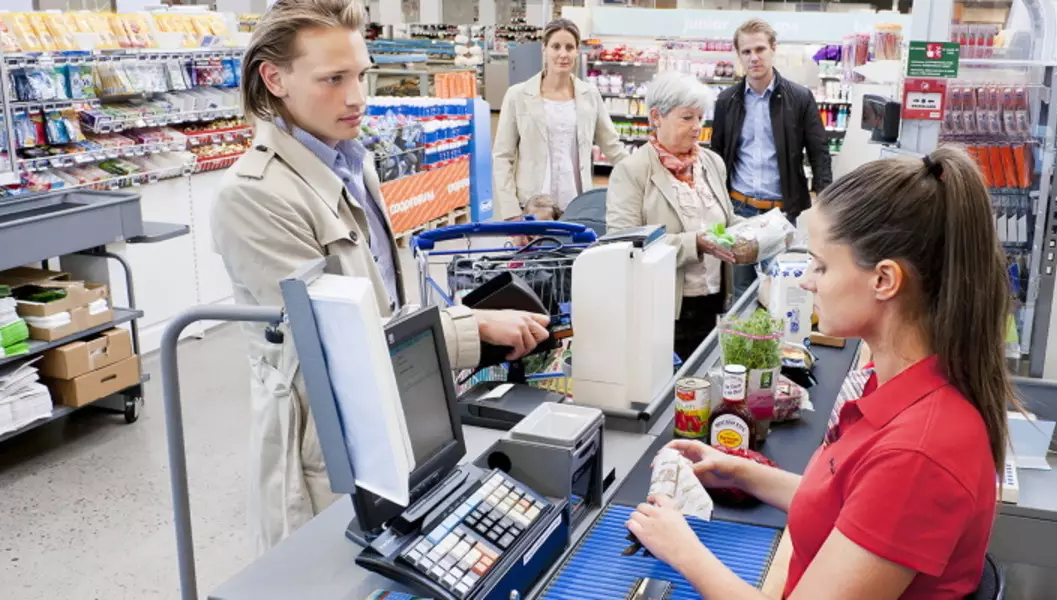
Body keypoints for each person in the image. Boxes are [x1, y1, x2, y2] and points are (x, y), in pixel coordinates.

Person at [211, 0, 549, 554]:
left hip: (398, 411)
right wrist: (472, 329)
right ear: (275, 79)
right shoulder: (256, 196)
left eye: (361, 74)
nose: (356, 97)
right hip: (330, 451)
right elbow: (337, 343)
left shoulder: (353, 161)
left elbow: (384, 299)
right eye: (333, 78)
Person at [626, 147, 1017, 599]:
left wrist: (683, 550)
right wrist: (740, 473)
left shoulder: (918, 454)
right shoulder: (895, 386)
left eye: (822, 265)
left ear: (884, 280)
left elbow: (887, 493)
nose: (808, 280)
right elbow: (848, 504)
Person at [607, 72, 752, 361]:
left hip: (712, 300)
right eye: (687, 118)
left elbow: (726, 220)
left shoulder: (711, 163)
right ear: (656, 117)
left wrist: (759, 229)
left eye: (700, 118)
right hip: (664, 307)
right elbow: (620, 242)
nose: (697, 127)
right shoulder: (632, 171)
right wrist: (693, 243)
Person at [710, 18, 833, 298]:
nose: (754, 58)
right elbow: (716, 156)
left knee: (783, 288)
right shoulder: (727, 101)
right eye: (746, 52)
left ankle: (780, 343)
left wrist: (825, 202)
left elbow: (819, 152)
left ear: (773, 48)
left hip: (782, 213)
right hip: (739, 210)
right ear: (738, 55)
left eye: (760, 49)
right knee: (742, 290)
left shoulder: (799, 98)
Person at [493, 19, 629, 220]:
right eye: (556, 46)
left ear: (577, 51)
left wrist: (645, 172)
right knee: (532, 252)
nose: (563, 54)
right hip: (531, 208)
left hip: (575, 205)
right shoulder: (518, 95)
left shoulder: (589, 95)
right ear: (544, 49)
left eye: (569, 47)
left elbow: (612, 146)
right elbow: (503, 156)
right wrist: (511, 213)